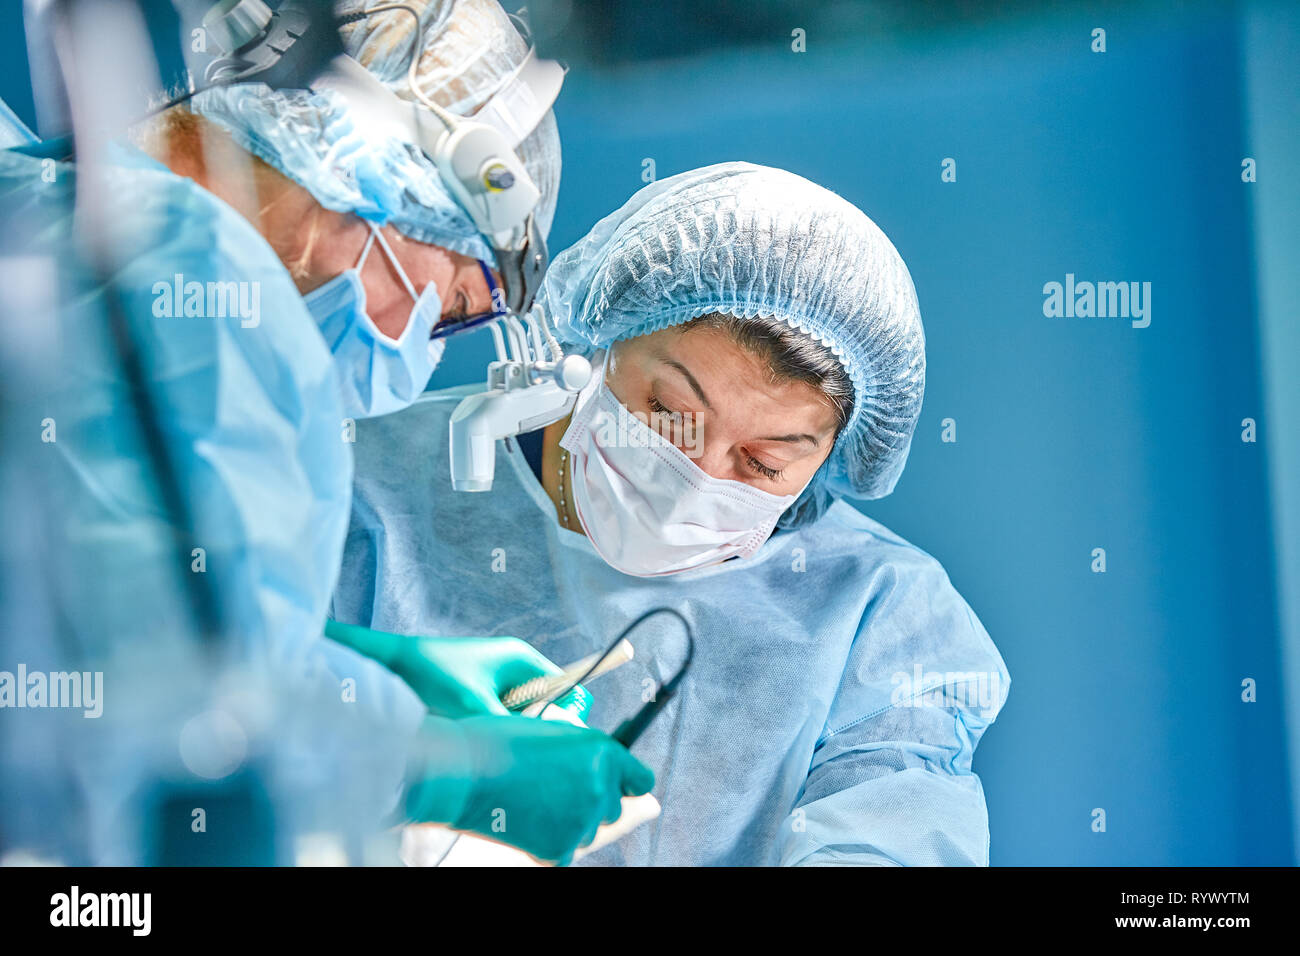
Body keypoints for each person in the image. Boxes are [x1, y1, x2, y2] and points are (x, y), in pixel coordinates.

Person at [0, 0, 649, 865]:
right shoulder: (205, 286)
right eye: (452, 306)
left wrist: (355, 658)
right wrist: (448, 768)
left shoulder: (38, 199)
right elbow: (160, 694)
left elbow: (84, 584)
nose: (423, 348)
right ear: (382, 169)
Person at [332, 162, 1012, 865]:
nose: (697, 480)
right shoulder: (363, 482)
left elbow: (890, 836)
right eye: (670, 414)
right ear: (600, 342)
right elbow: (258, 717)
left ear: (831, 460)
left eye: (763, 463)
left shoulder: (877, 613)